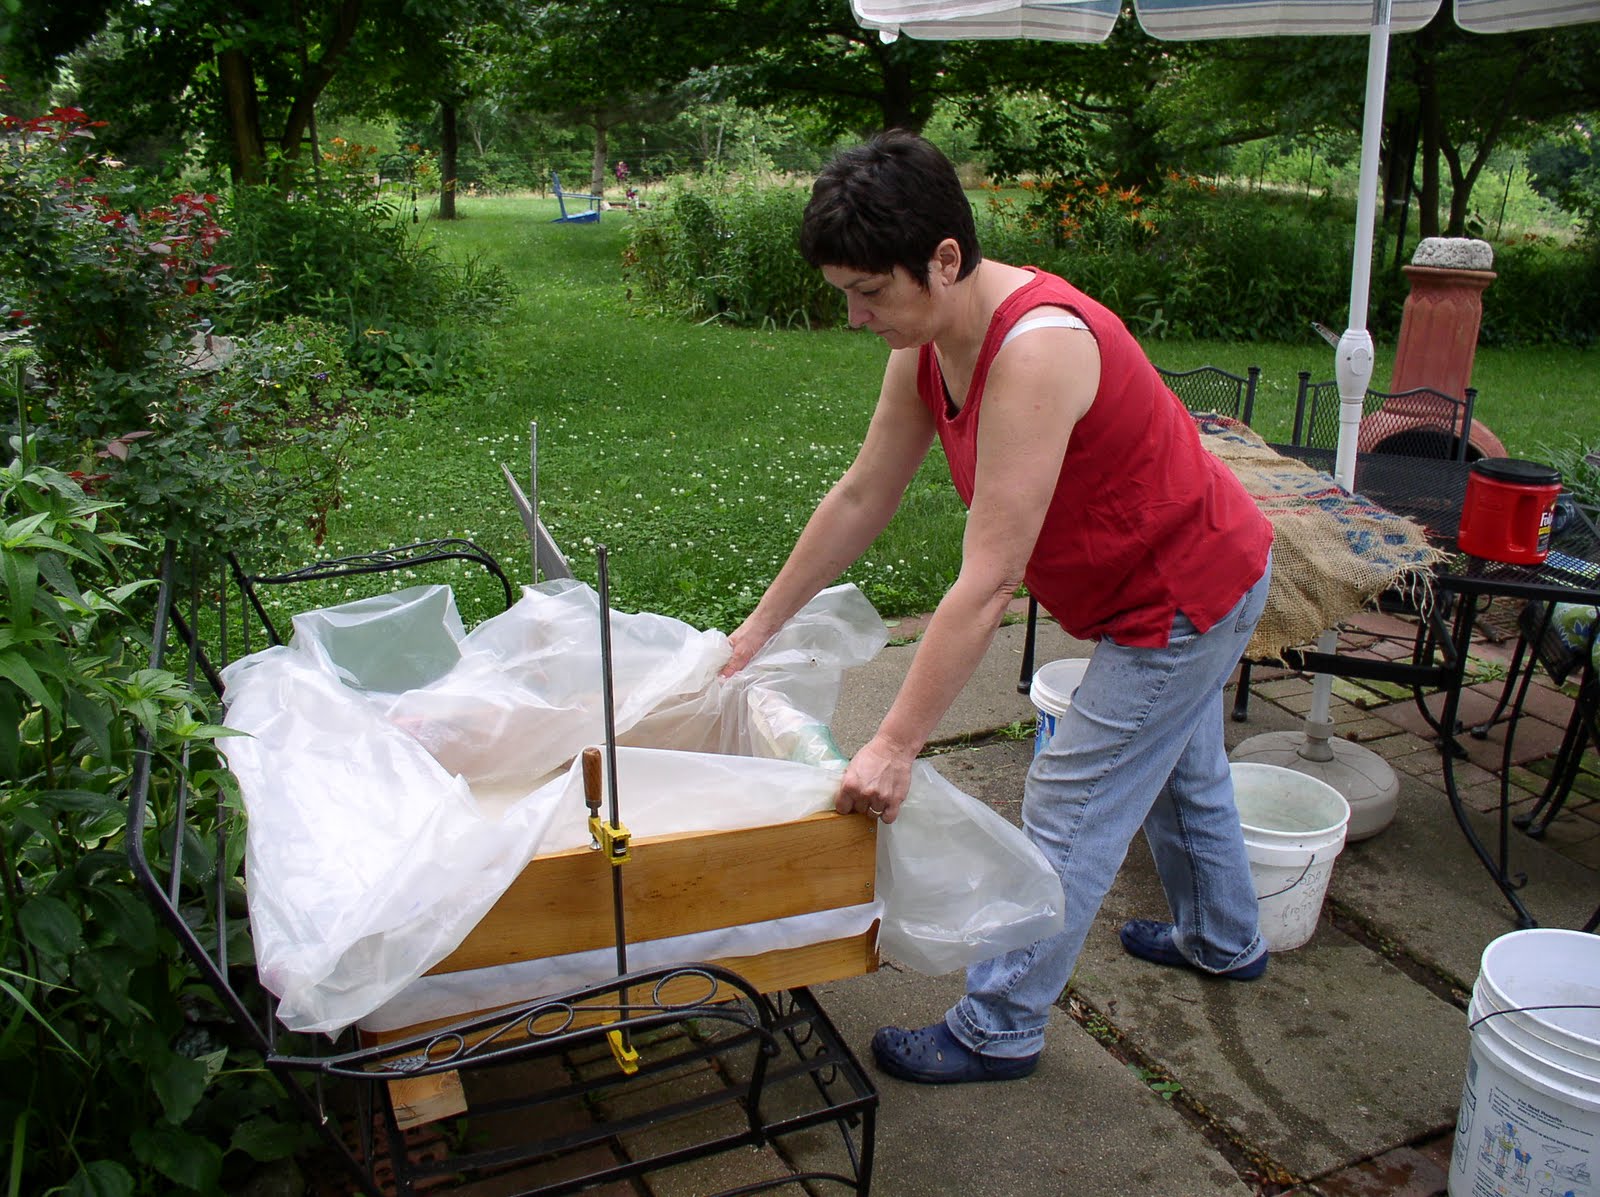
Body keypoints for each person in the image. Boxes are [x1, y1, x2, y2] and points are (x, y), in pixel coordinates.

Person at [720, 131, 1274, 1084]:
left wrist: (894, 743)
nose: (855, 316)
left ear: (944, 259)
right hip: (1156, 581)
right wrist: (757, 629)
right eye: (845, 293)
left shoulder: (1037, 350)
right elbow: (863, 494)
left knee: (1073, 798)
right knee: (1184, 772)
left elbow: (987, 582)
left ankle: (998, 1026)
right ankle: (1225, 939)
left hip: (1186, 593)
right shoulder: (927, 343)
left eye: (868, 292)